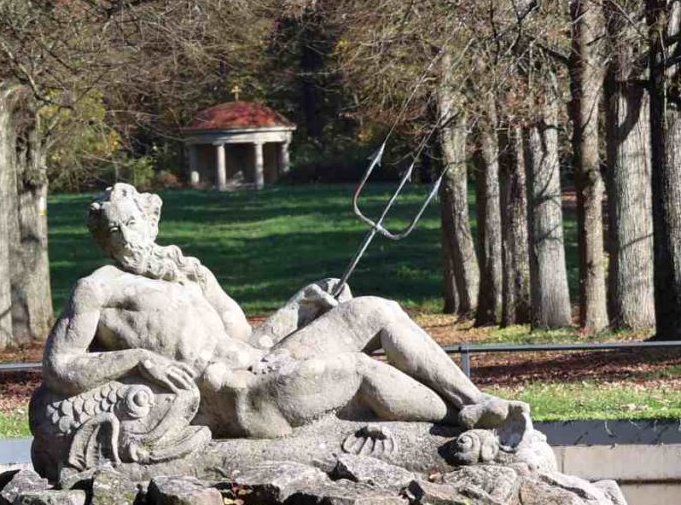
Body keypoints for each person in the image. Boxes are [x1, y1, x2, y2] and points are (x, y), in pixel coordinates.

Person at [43, 183, 529, 439]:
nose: (128, 240)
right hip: (237, 394)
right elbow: (59, 368)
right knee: (353, 368)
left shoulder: (190, 275)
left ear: (150, 221)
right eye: (114, 233)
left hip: (264, 362)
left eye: (131, 225)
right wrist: (135, 361)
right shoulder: (99, 288)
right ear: (102, 242)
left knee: (375, 309)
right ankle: (454, 423)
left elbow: (250, 339)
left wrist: (299, 304)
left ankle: (471, 401)